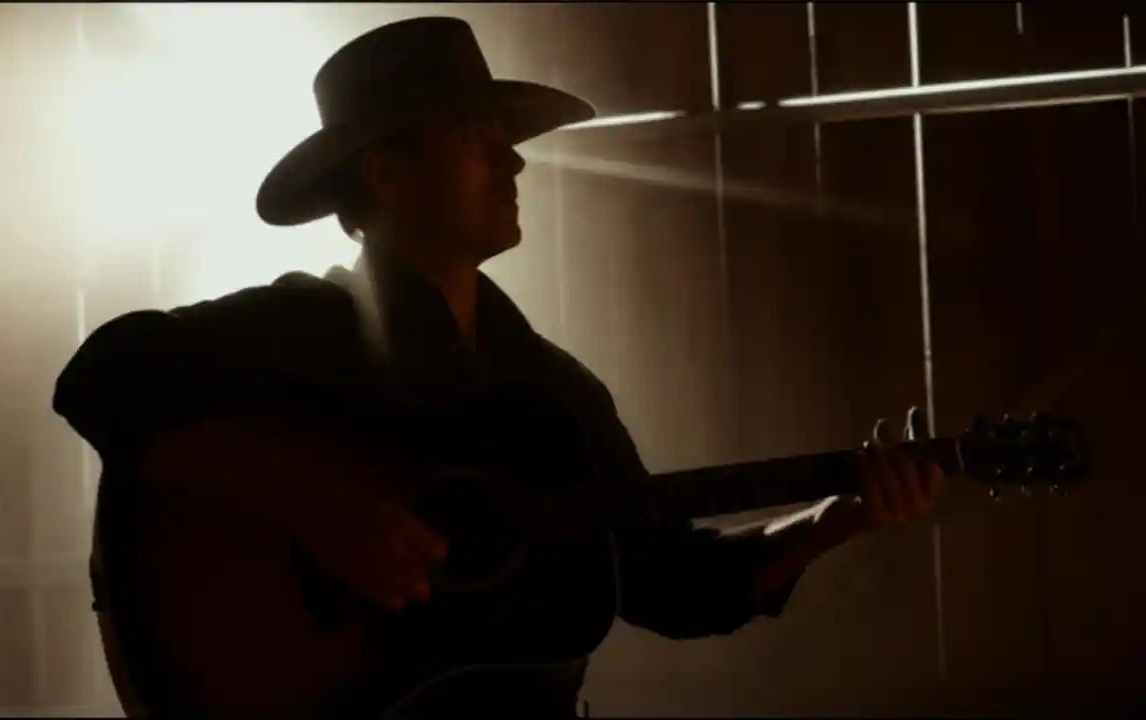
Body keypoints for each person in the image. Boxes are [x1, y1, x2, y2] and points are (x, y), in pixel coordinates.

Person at [53, 16, 943, 718]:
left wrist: (838, 517)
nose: (514, 158)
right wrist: (315, 507)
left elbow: (671, 587)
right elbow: (100, 375)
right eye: (477, 136)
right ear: (387, 173)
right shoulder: (302, 329)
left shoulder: (553, 393)